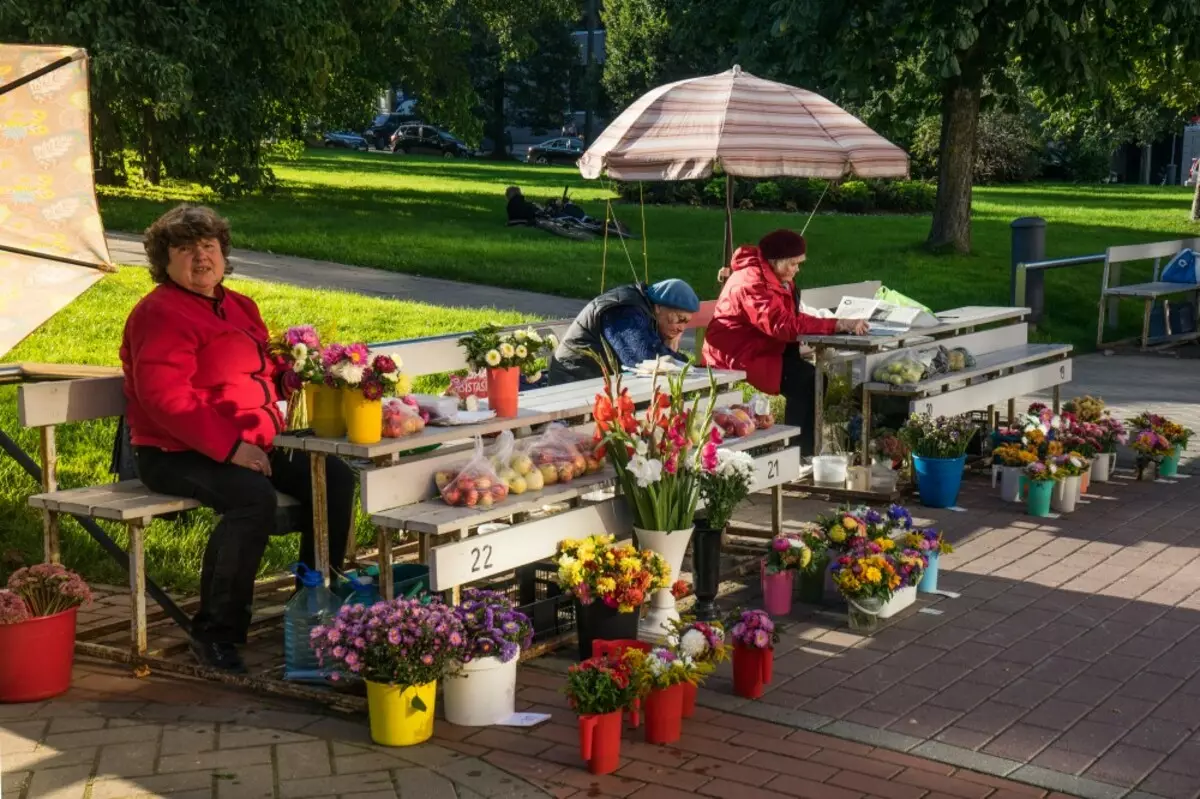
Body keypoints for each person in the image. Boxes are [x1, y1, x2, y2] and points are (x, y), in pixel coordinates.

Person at [120, 204, 356, 674]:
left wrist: (292, 378)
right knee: (251, 499)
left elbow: (256, 372)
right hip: (174, 450)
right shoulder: (160, 313)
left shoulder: (239, 305)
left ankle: (315, 601)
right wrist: (232, 449)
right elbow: (164, 398)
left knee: (332, 476)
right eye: (185, 249)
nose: (200, 257)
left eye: (208, 246)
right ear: (163, 262)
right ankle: (215, 633)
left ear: (223, 254)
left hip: (251, 442)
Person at [702, 229, 868, 456]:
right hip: (738, 353)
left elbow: (788, 321)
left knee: (815, 379)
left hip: (762, 345)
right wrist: (836, 324)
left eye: (799, 263)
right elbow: (781, 325)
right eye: (793, 264)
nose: (797, 269)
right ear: (775, 260)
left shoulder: (773, 276)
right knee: (807, 382)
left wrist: (832, 324)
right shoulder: (751, 283)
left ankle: (805, 451)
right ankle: (799, 455)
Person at [548, 279, 700, 384]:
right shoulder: (624, 309)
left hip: (596, 380)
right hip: (572, 381)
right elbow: (643, 360)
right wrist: (683, 362)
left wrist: (668, 348)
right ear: (659, 306)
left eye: (686, 322)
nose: (682, 328)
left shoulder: (643, 308)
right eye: (680, 319)